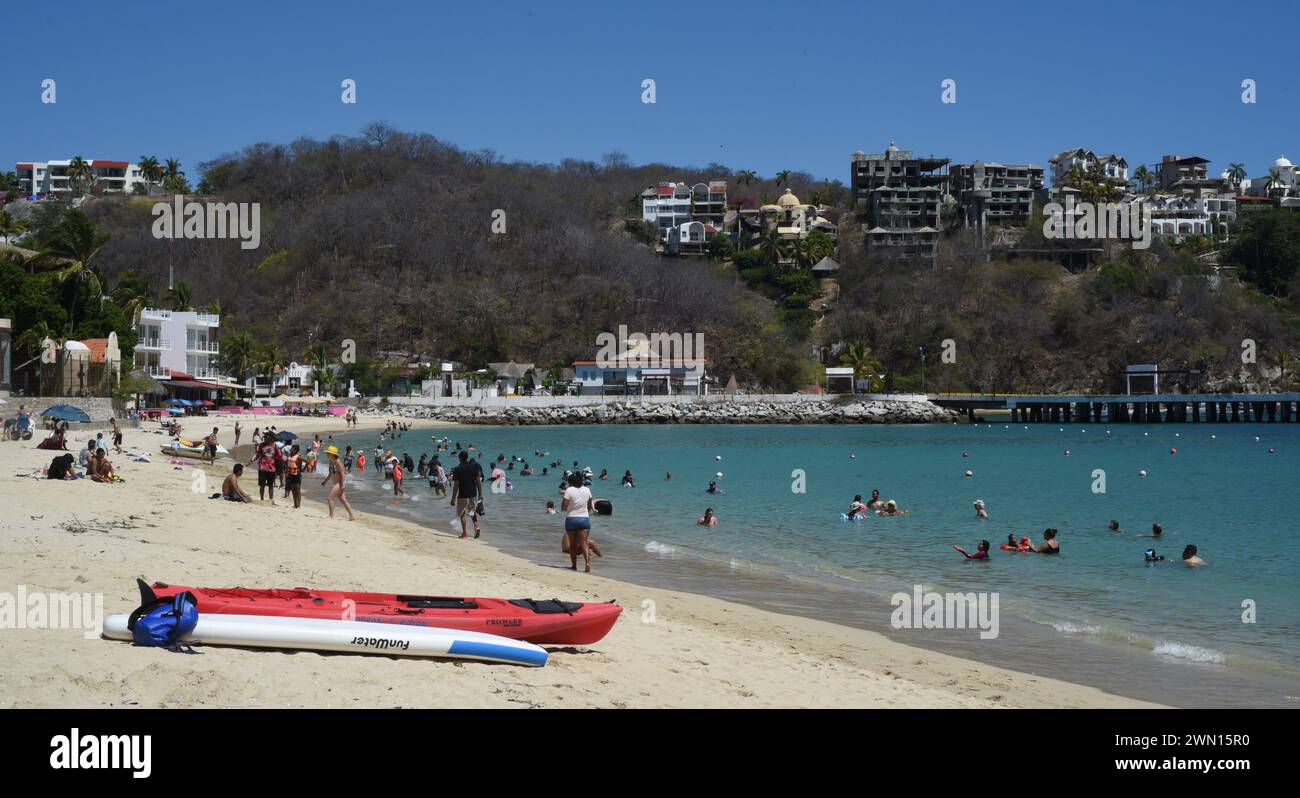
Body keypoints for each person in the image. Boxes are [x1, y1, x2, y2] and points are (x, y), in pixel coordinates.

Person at [562, 472, 595, 572]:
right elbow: (590, 505)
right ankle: (587, 563)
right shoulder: (587, 489)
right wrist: (586, 513)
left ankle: (574, 565)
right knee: (584, 542)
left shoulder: (569, 490)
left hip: (571, 519)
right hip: (584, 519)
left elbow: (564, 506)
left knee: (572, 545)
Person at [449, 450, 484, 539]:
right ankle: (476, 525)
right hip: (473, 493)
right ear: (467, 457)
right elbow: (478, 481)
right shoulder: (474, 467)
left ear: (459, 458)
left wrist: (453, 498)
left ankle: (464, 533)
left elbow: (456, 484)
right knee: (472, 511)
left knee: (463, 514)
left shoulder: (458, 469)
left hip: (462, 494)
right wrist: (480, 494)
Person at [321, 445, 355, 520]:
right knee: (343, 500)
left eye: (328, 453)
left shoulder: (337, 462)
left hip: (339, 483)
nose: (327, 454)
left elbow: (343, 474)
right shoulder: (331, 462)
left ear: (333, 454)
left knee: (329, 498)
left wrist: (342, 485)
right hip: (336, 483)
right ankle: (352, 516)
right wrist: (325, 481)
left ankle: (331, 516)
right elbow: (330, 473)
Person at [250, 431, 284, 504]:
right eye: (265, 437)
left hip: (272, 469)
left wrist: (286, 462)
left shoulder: (275, 446)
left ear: (271, 438)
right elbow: (257, 454)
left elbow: (280, 456)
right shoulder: (262, 445)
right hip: (262, 468)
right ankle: (262, 499)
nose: (265, 438)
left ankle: (271, 500)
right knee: (262, 485)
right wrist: (252, 460)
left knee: (271, 485)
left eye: (267, 437)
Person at [285, 444, 305, 508]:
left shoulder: (299, 457)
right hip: (291, 474)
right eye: (291, 449)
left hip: (297, 475)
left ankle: (298, 505)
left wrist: (302, 469)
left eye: (292, 449)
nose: (291, 450)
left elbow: (307, 462)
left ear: (296, 450)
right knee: (293, 489)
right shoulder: (290, 456)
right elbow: (287, 464)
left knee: (297, 490)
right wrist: (286, 470)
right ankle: (295, 504)